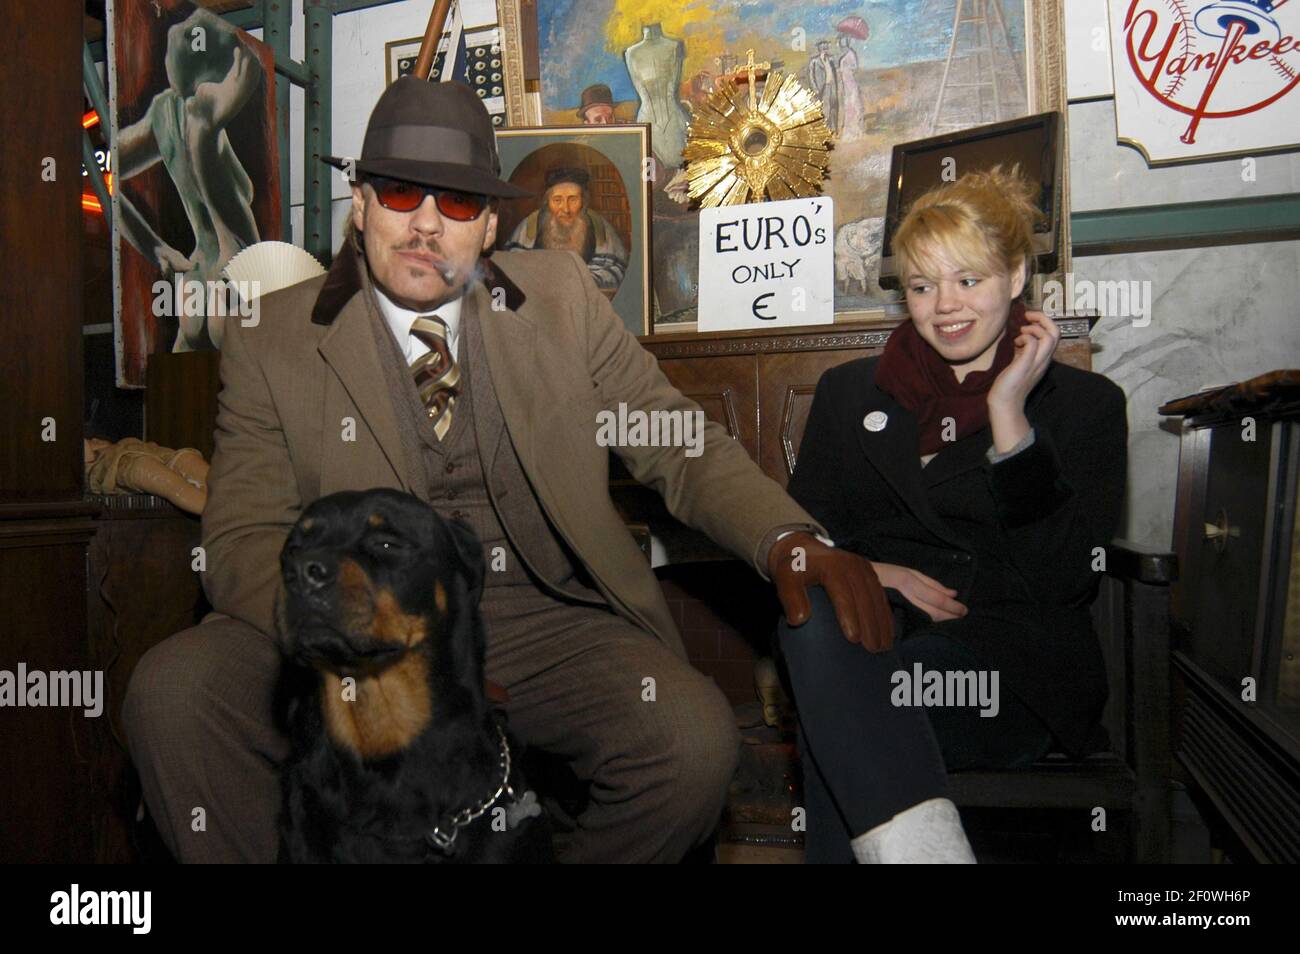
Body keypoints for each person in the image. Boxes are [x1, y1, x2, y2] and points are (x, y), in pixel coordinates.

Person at [122, 77, 890, 863]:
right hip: (357, 614)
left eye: (456, 203)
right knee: (177, 692)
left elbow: (674, 439)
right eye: (399, 192)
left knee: (689, 740)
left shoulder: (563, 300)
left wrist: (786, 538)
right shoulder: (274, 336)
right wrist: (359, 642)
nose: (425, 224)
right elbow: (244, 538)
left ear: (488, 226)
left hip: (540, 618)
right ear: (360, 205)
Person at [778, 165, 1127, 862]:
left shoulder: (1084, 404)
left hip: (1008, 669)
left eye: (969, 280)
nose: (946, 306)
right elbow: (800, 542)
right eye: (921, 285)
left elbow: (1066, 580)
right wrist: (875, 571)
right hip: (873, 640)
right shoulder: (852, 395)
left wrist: (1009, 421)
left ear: (1017, 275)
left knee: (839, 716)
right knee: (817, 617)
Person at [504, 167, 628, 293]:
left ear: (583, 202)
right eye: (557, 200)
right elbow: (514, 266)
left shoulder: (599, 226)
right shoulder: (530, 225)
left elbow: (615, 270)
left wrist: (576, 280)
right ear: (548, 202)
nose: (566, 209)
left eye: (573, 199)